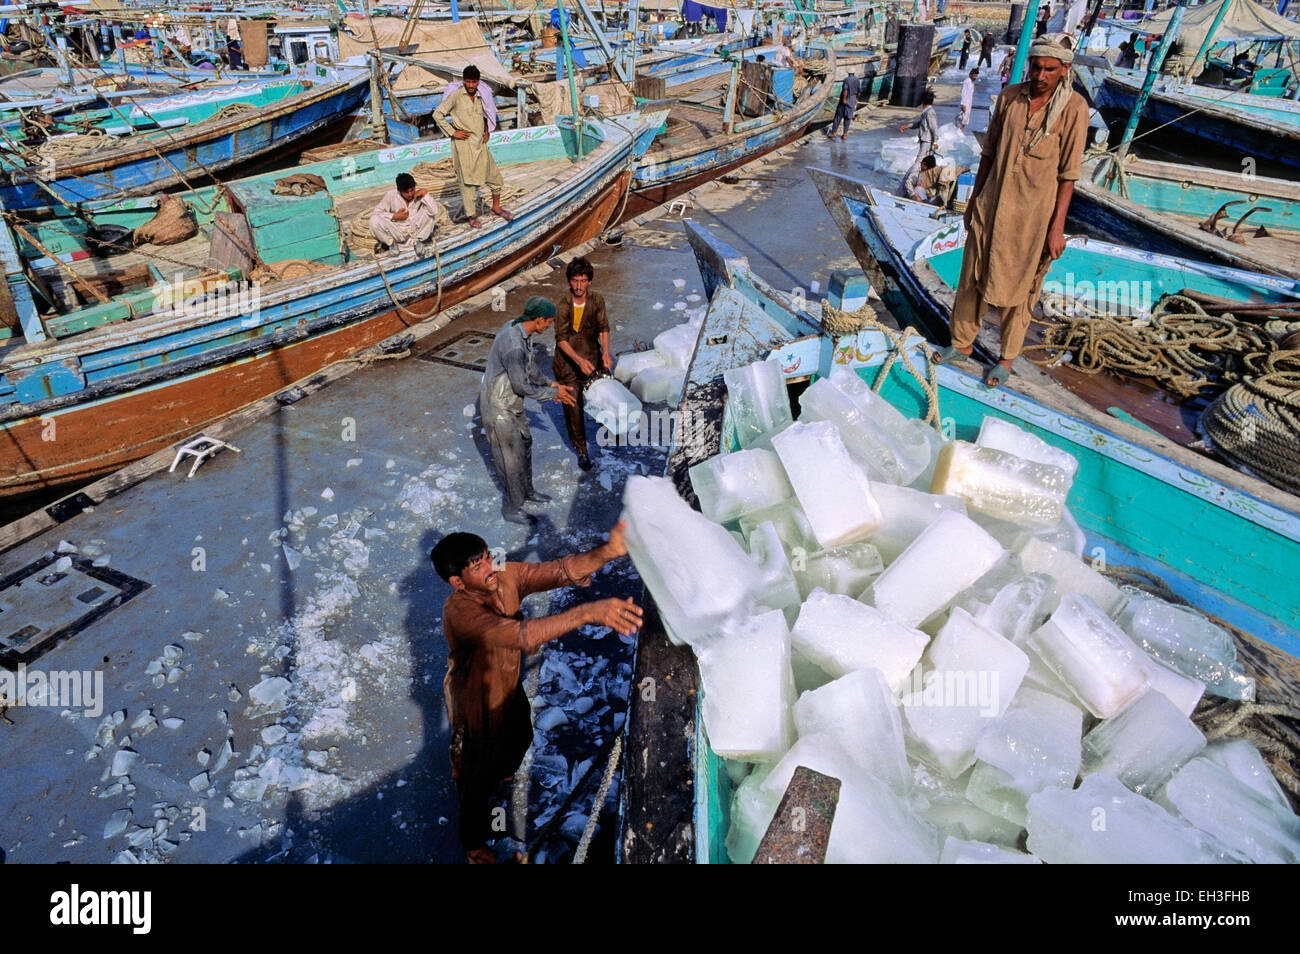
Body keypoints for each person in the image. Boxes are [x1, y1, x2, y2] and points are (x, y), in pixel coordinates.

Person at [432, 522, 643, 863]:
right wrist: (588, 612)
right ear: (458, 582)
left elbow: (557, 571)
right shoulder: (460, 613)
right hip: (477, 707)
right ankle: (474, 845)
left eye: (488, 557)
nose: (490, 568)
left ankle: (503, 772)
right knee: (475, 782)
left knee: (519, 736)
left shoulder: (504, 577)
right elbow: (521, 636)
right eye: (477, 567)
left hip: (508, 686)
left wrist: (608, 552)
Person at [931, 33, 1087, 389]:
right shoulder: (1009, 98)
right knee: (971, 275)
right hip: (991, 204)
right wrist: (972, 202)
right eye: (1036, 67)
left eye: (1050, 69)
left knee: (1023, 288)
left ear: (1064, 69)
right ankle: (962, 343)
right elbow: (988, 154)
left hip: (1033, 218)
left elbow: (1068, 175)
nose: (1041, 75)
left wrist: (1056, 228)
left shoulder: (1074, 108)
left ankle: (1006, 358)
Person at [480, 297, 576, 525]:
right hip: (498, 407)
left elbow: (530, 366)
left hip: (512, 403)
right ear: (539, 319)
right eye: (549, 322)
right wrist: (554, 395)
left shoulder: (522, 330)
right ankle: (512, 507)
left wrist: (548, 383)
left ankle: (528, 491)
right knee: (510, 459)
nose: (550, 326)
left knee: (525, 446)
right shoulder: (513, 345)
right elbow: (521, 386)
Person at [433, 65, 513, 228]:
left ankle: (496, 207)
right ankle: (472, 215)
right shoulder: (456, 96)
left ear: (478, 81)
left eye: (473, 82)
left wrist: (486, 131)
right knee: (468, 182)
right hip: (464, 145)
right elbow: (438, 114)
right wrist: (452, 132)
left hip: (480, 143)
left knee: (494, 176)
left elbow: (485, 114)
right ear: (463, 81)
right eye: (468, 82)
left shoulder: (481, 95)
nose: (471, 85)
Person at [552, 257, 612, 472]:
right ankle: (581, 449)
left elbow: (604, 328)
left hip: (592, 354)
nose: (579, 286)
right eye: (575, 281)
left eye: (583, 281)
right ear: (569, 281)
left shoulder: (597, 300)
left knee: (605, 392)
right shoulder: (562, 305)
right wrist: (579, 361)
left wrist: (605, 353)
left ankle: (610, 428)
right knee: (573, 405)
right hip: (567, 362)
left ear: (589, 282)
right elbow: (561, 340)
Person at [368, 172, 442, 253]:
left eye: (412, 190)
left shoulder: (419, 194)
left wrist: (425, 193)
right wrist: (394, 216)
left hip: (416, 230)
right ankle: (392, 243)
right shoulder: (391, 195)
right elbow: (377, 213)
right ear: (400, 191)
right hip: (398, 231)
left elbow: (434, 211)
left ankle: (417, 241)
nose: (410, 194)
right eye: (406, 192)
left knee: (430, 213)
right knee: (374, 220)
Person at [898, 89, 939, 195]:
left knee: (920, 162)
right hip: (924, 140)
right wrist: (908, 126)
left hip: (927, 141)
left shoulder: (930, 113)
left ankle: (914, 185)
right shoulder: (926, 112)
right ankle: (915, 183)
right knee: (920, 162)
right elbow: (919, 123)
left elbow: (933, 128)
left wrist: (935, 141)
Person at [827, 69, 860, 140]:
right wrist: (856, 100)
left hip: (845, 100)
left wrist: (844, 99)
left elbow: (845, 90)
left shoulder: (846, 80)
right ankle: (845, 135)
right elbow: (859, 92)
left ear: (848, 73)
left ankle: (834, 133)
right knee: (848, 118)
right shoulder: (857, 80)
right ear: (854, 73)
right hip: (852, 100)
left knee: (838, 117)